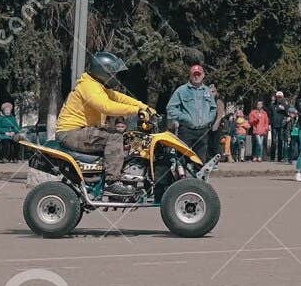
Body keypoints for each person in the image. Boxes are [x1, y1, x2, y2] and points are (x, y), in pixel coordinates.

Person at [56, 51, 150, 187]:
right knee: (114, 137)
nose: (115, 77)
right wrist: (137, 110)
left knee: (126, 137)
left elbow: (119, 97)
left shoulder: (98, 86)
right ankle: (113, 181)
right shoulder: (88, 86)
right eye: (113, 73)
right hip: (71, 133)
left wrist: (145, 107)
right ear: (103, 72)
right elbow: (105, 107)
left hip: (80, 131)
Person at [166, 64, 217, 162]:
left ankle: (197, 177)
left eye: (199, 74)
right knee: (182, 160)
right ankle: (182, 177)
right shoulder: (181, 90)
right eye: (194, 74)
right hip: (186, 131)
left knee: (200, 161)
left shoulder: (207, 91)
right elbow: (170, 108)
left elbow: (213, 108)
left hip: (203, 132)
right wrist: (184, 118)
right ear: (190, 75)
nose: (196, 76)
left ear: (203, 75)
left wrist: (208, 120)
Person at [268, 92, 289, 162]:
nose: (279, 98)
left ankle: (280, 158)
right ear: (276, 97)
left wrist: (284, 109)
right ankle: (272, 157)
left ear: (282, 97)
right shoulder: (272, 105)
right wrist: (269, 124)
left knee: (280, 141)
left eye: (280, 97)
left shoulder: (285, 105)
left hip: (281, 125)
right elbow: (270, 116)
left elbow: (288, 114)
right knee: (273, 141)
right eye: (278, 97)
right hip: (274, 125)